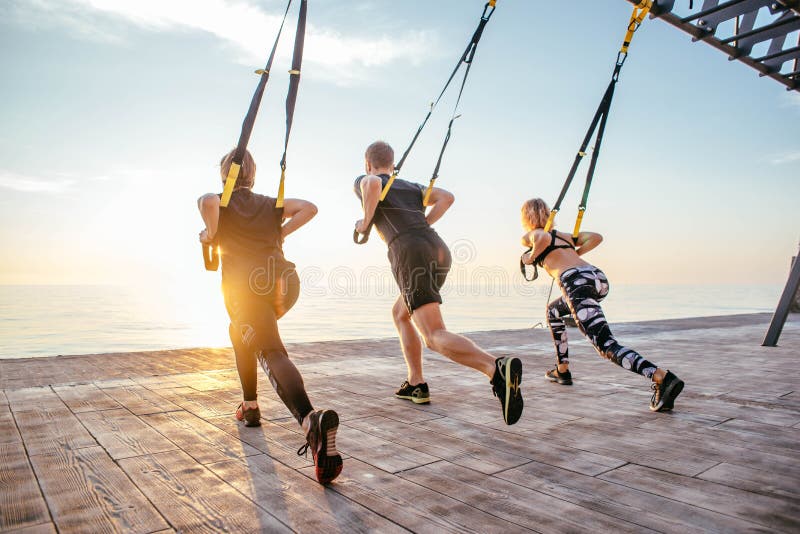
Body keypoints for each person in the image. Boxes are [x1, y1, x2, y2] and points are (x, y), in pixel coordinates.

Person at [354, 140, 523, 425]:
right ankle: (416, 382)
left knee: (433, 335)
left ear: (367, 163)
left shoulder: (366, 178)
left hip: (410, 253)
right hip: (437, 248)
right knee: (400, 313)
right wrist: (424, 225)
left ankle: (496, 369)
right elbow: (447, 197)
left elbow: (371, 184)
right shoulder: (411, 186)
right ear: (393, 164)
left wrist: (365, 222)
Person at [198, 148, 342, 484]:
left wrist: (211, 234)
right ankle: (250, 406)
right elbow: (310, 208)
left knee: (269, 348)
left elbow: (206, 200)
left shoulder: (219, 201)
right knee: (240, 333)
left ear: (224, 175)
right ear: (254, 175)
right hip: (283, 283)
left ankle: (310, 420)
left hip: (247, 288)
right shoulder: (269, 204)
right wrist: (281, 232)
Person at [519, 198, 684, 412]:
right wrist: (575, 253)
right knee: (553, 311)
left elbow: (539, 237)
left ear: (526, 218)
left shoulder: (532, 235)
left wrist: (530, 258)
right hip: (596, 279)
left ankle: (662, 377)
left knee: (606, 346)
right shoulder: (563, 236)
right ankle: (562, 370)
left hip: (575, 284)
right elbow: (596, 238)